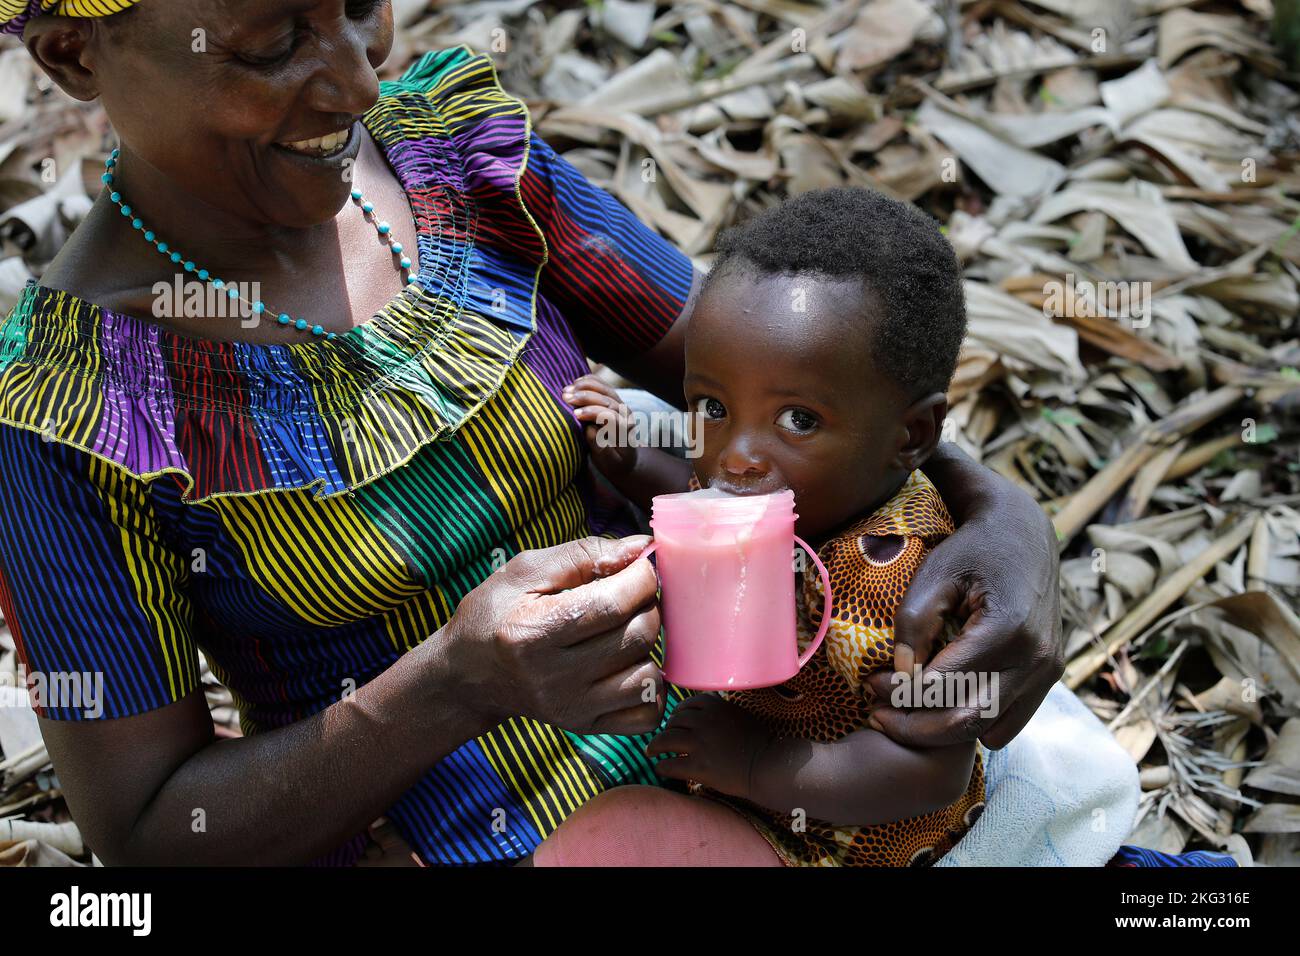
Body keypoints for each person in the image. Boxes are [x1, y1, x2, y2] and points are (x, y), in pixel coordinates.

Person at [0, 0, 1064, 866]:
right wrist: (454, 684)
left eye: (360, 4)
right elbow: (149, 831)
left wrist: (1000, 516)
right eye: (274, 41)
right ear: (69, 54)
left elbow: (788, 390)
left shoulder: (463, 167)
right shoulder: (70, 412)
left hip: (790, 765)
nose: (357, 82)